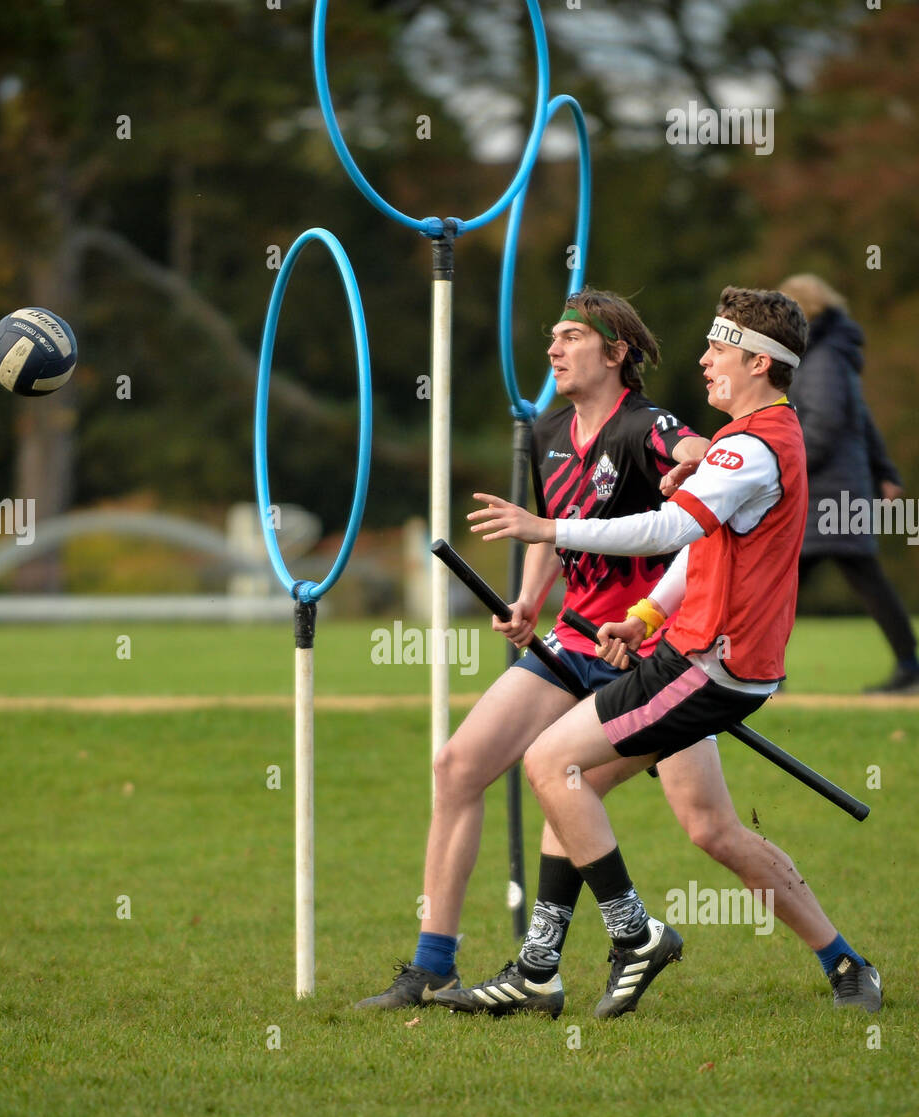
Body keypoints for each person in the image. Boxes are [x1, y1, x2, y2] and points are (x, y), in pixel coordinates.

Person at [357, 288, 879, 1018]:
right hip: (590, 639)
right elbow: (605, 527)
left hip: (674, 659)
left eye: (571, 336)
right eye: (553, 334)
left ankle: (827, 957)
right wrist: (547, 595)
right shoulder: (549, 433)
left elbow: (678, 500)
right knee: (491, 771)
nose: (554, 348)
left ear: (615, 353)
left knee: (703, 826)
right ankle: (466, 968)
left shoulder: (675, 430)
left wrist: (694, 462)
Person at [779, 273, 919, 694]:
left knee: (778, 581)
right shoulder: (830, 355)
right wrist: (886, 471)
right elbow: (861, 420)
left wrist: (783, 469)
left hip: (828, 493)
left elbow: (826, 426)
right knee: (856, 580)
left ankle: (762, 672)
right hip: (838, 489)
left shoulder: (824, 359)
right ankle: (912, 667)